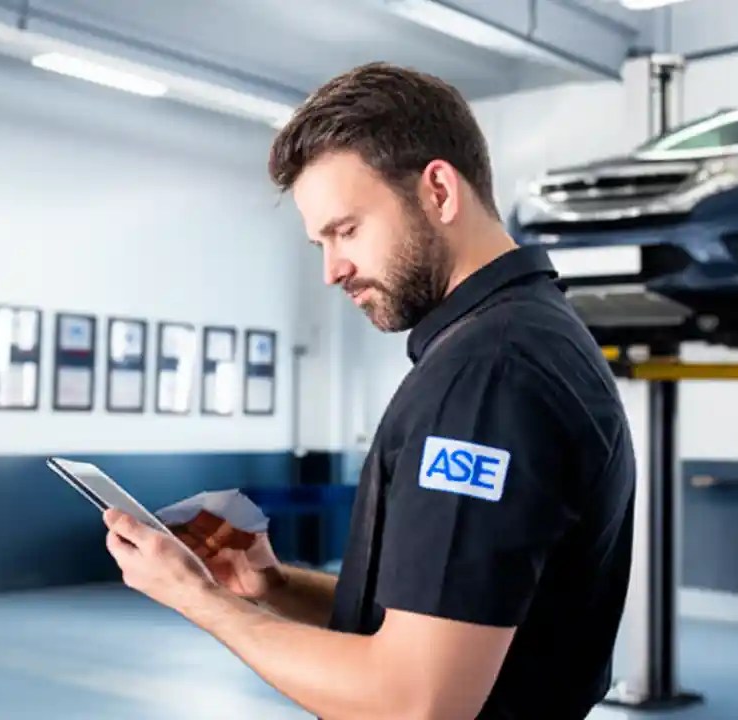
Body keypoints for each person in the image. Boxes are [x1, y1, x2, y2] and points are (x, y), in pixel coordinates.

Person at [102, 62, 637, 720]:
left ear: (438, 191)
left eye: (346, 230)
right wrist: (270, 588)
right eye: (319, 242)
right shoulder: (512, 343)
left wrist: (201, 603)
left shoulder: (489, 376)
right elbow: (441, 621)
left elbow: (417, 702)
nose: (333, 271)